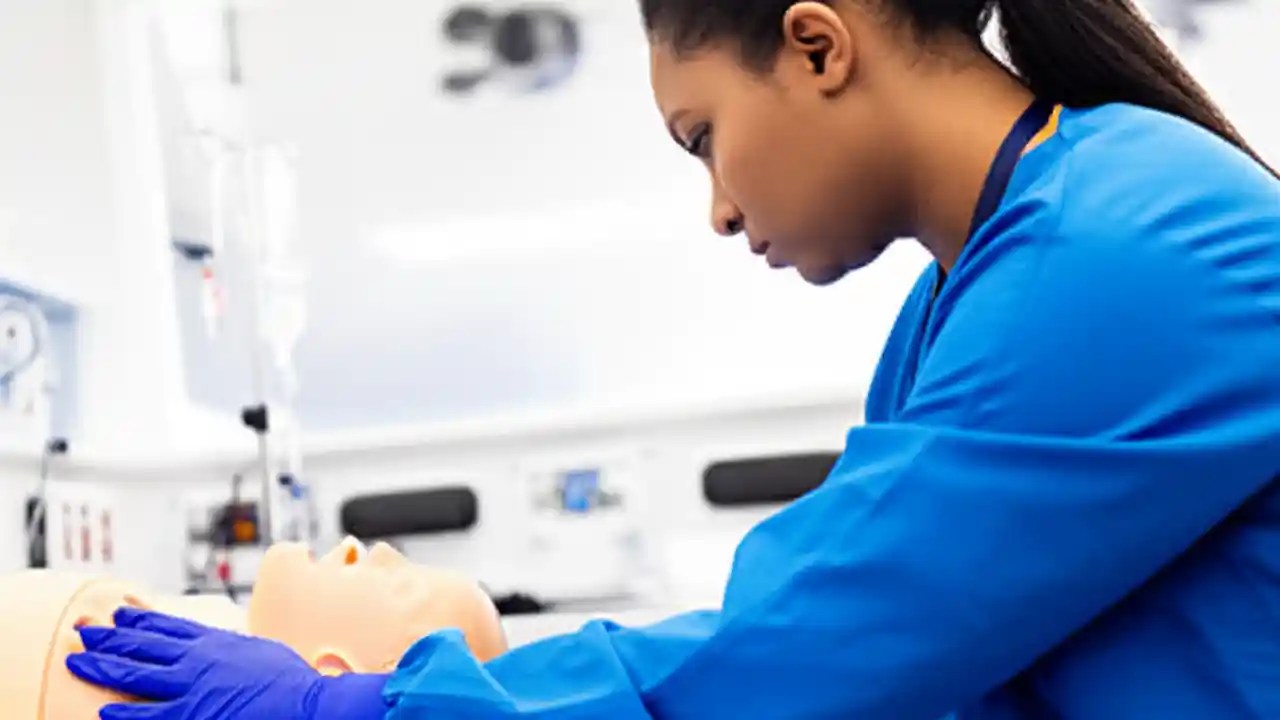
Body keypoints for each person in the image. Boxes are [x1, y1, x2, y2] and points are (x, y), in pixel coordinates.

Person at [68, 0, 1280, 717]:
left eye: (701, 138)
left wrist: (365, 704)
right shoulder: (972, 291)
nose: (715, 205)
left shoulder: (1115, 248)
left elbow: (805, 653)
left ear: (816, 46)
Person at [8, 538, 504, 720]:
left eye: (400, 585)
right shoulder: (211, 634)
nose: (363, 548)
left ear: (334, 674)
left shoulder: (155, 693)